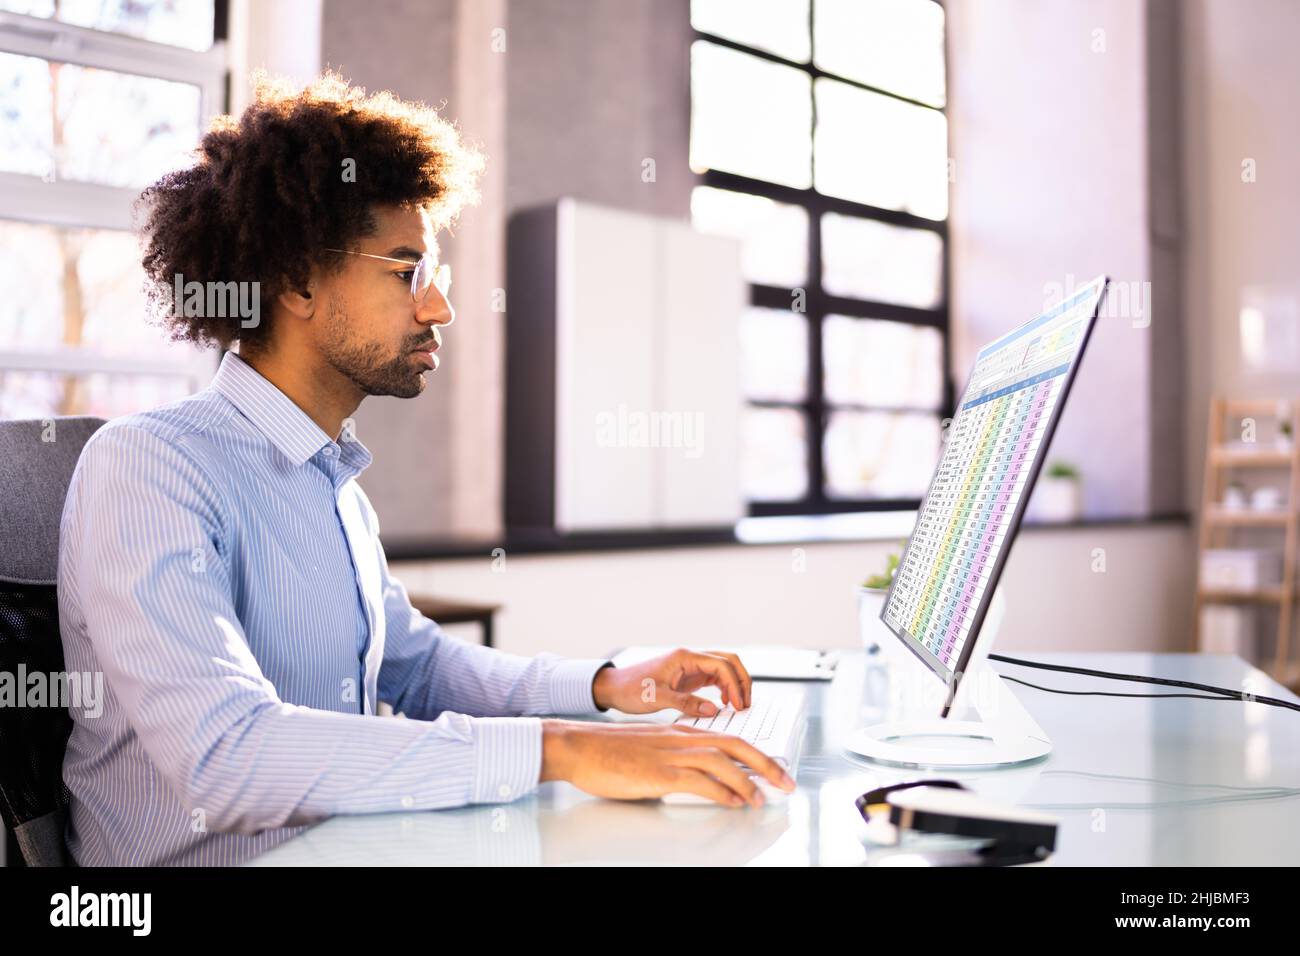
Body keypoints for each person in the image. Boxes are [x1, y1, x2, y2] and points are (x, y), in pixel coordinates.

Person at [57, 72, 792, 866]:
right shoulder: (150, 469)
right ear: (298, 280)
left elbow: (418, 667)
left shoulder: (330, 483)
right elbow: (224, 755)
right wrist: (561, 750)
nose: (438, 306)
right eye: (405, 270)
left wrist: (606, 685)